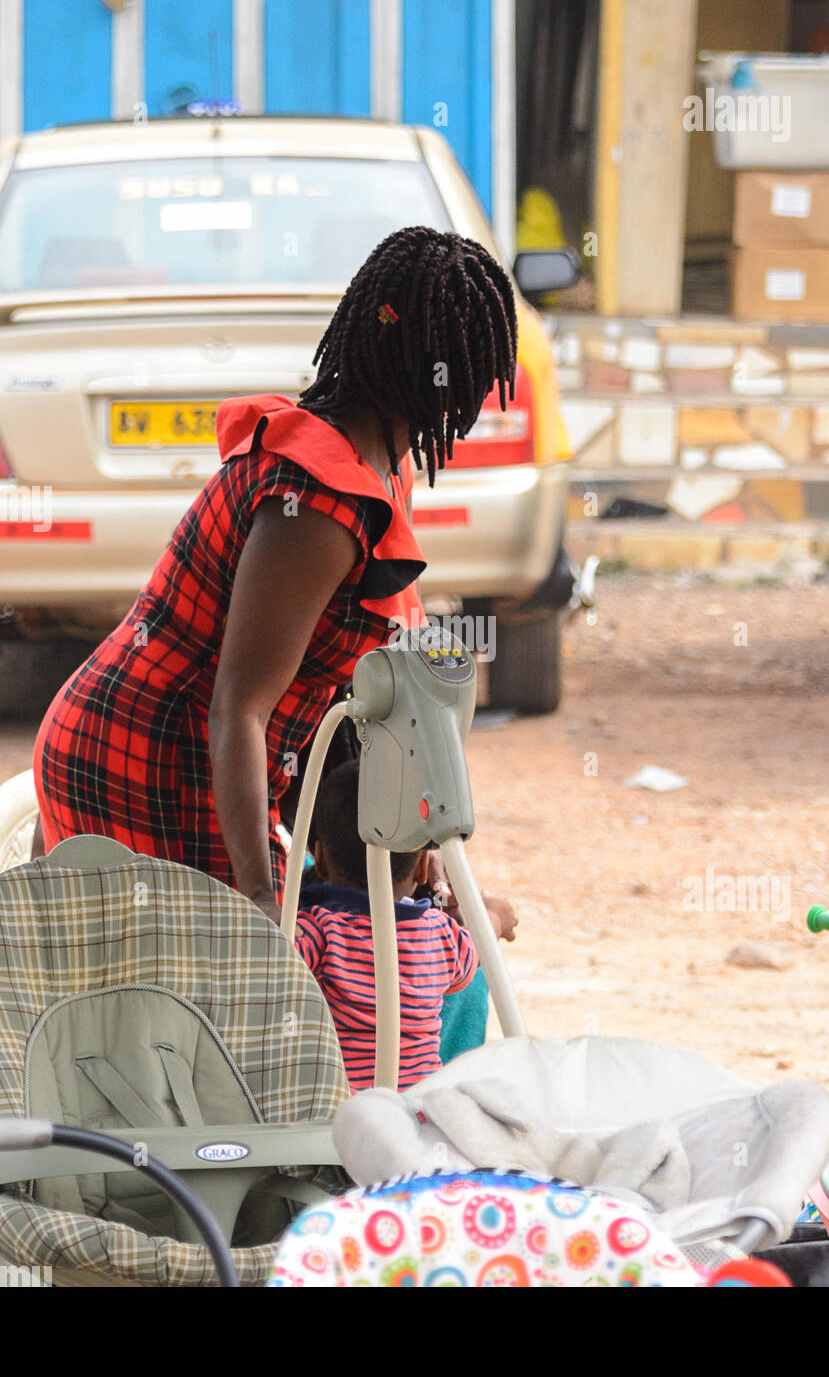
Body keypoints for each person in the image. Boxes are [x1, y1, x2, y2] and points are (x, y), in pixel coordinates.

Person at [32, 227, 518, 925]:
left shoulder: (378, 467)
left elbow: (355, 687)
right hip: (143, 761)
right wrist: (258, 896)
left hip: (208, 760)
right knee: (216, 1007)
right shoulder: (318, 505)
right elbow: (239, 705)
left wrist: (416, 839)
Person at [297, 759, 512, 1090]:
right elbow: (478, 944)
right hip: (414, 1113)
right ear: (422, 868)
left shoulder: (317, 931)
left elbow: (270, 963)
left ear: (321, 859)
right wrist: (495, 913)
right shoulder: (440, 934)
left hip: (338, 1115)